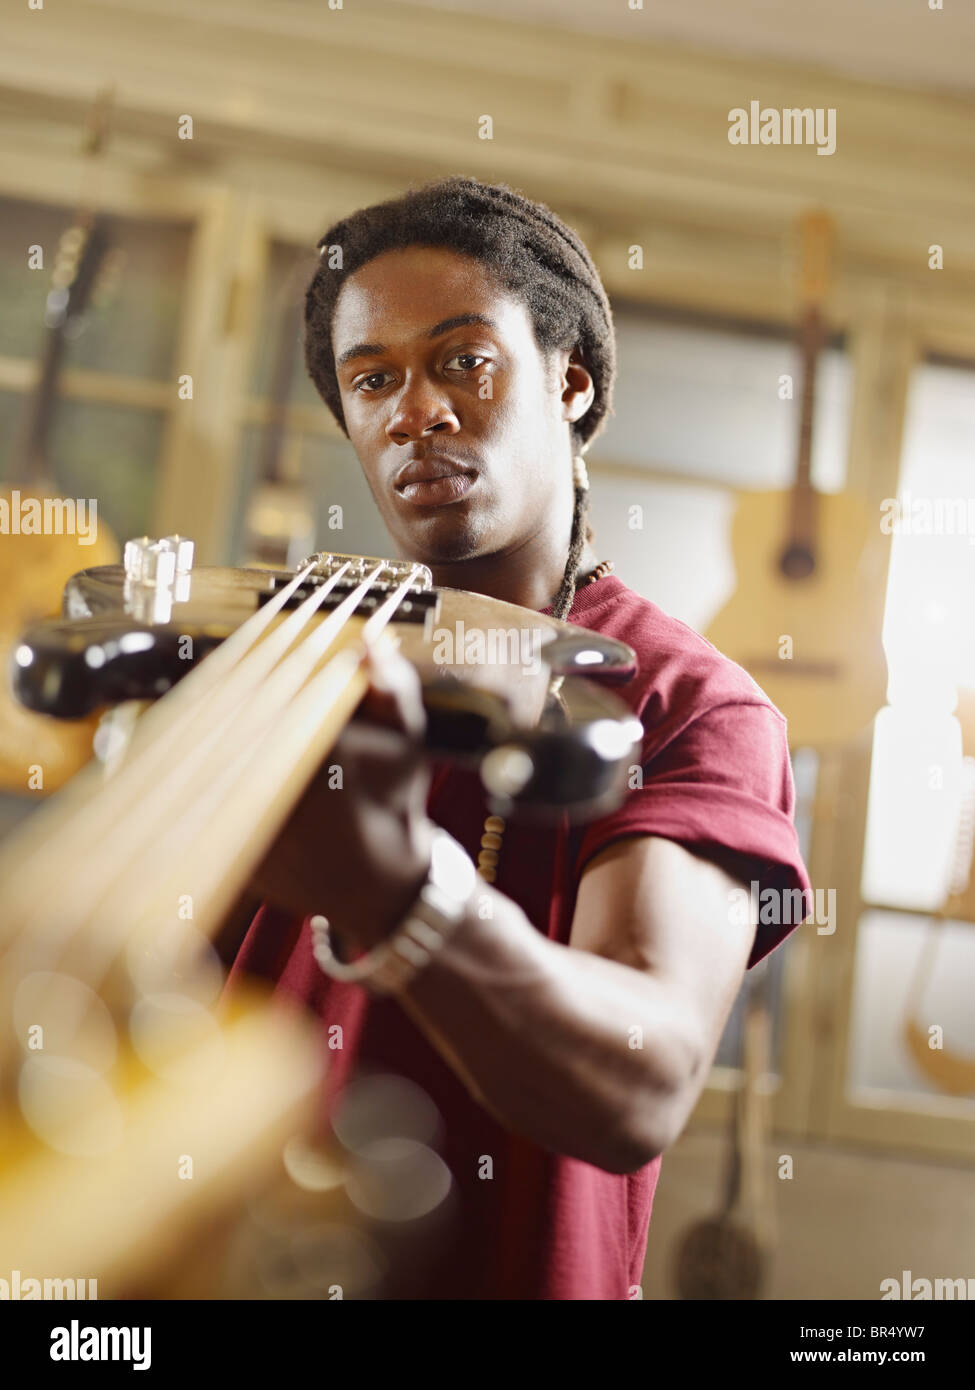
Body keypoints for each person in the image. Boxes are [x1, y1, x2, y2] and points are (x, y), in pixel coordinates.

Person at [230, 176, 812, 1300]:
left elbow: (641, 1083)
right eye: (372, 379)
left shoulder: (695, 705)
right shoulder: (290, 659)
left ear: (571, 383)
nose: (418, 412)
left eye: (464, 360)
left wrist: (402, 897)